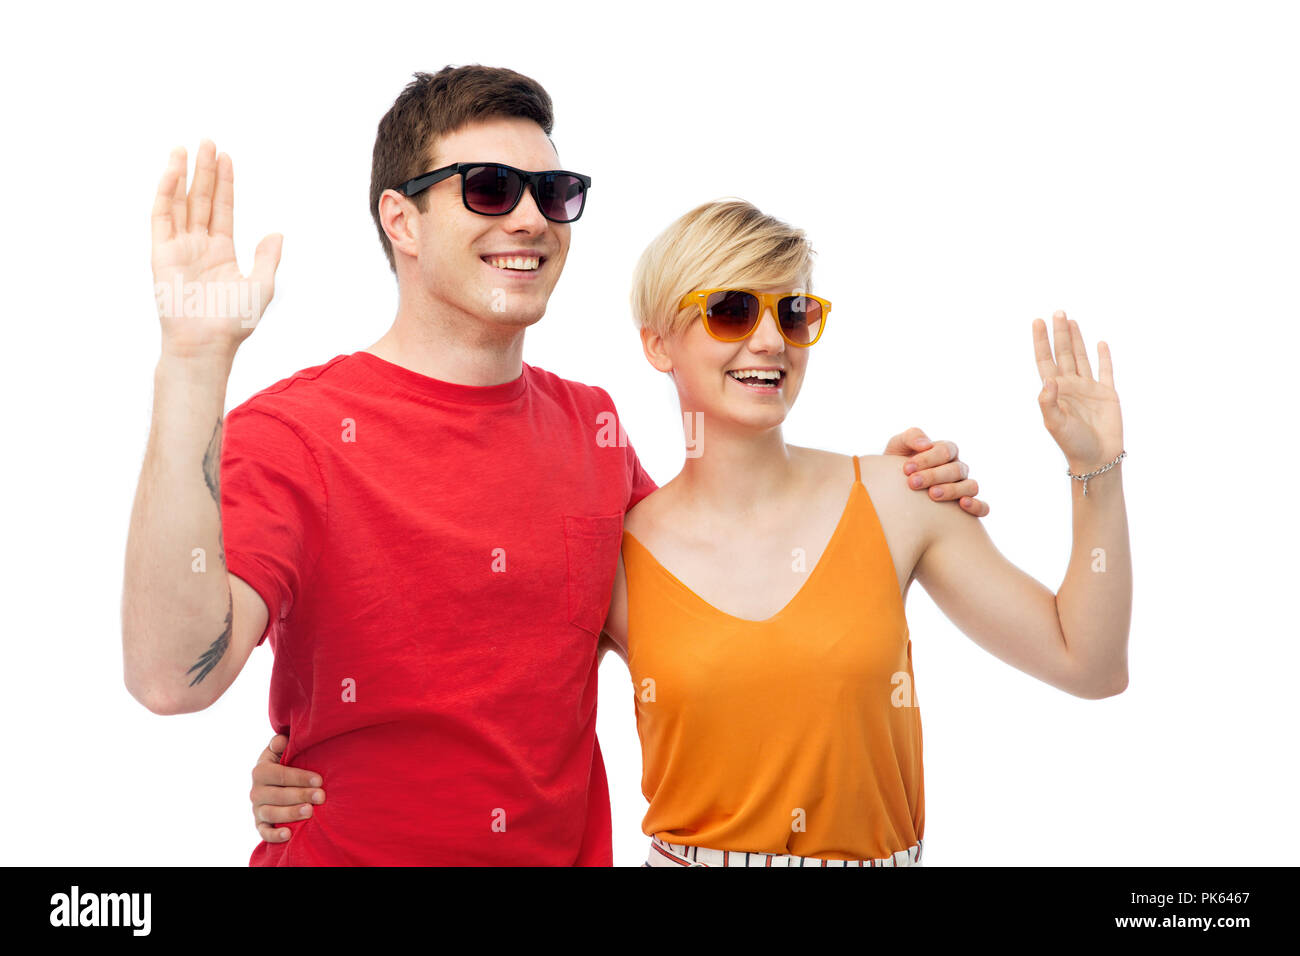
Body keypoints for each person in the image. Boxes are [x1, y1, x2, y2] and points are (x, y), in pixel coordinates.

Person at [122, 65, 987, 866]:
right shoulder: (295, 432)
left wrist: (879, 488)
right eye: (490, 189)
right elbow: (168, 676)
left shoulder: (593, 428)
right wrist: (194, 365)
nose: (531, 219)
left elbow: (717, 597)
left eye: (555, 192)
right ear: (402, 220)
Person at [253, 198, 1131, 867]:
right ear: (658, 343)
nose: (769, 340)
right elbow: (477, 702)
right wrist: (303, 762)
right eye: (730, 310)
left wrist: (1094, 472)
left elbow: (1085, 664)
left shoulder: (902, 497)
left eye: (793, 314)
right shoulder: (613, 549)